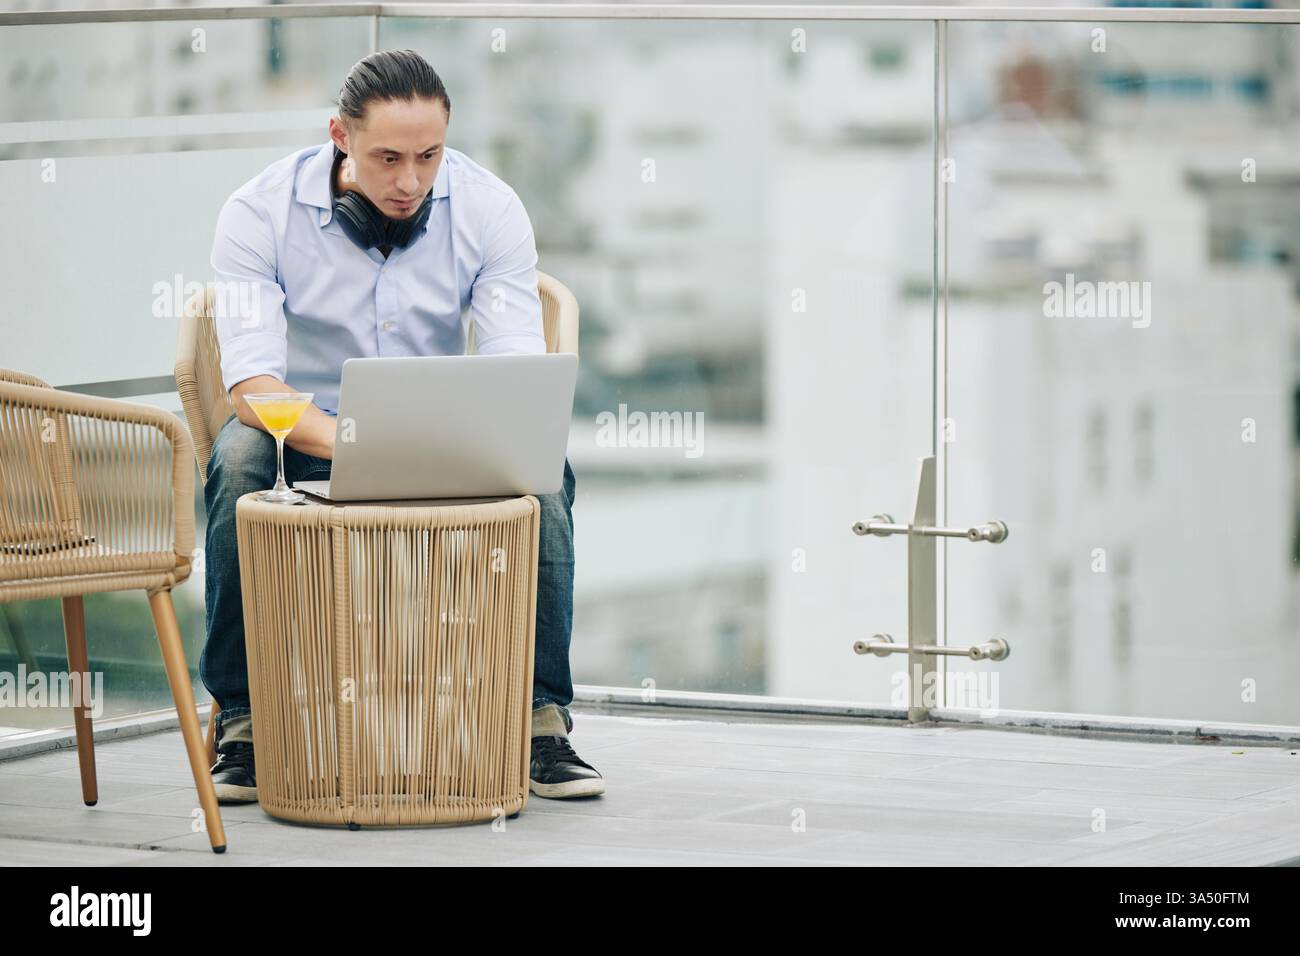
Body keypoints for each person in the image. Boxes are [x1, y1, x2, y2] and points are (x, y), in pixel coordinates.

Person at [200, 49, 603, 804]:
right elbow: (254, 390)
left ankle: (541, 722)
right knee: (241, 456)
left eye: (428, 156)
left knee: (548, 474)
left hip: (441, 444)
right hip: (307, 439)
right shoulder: (257, 213)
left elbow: (517, 376)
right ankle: (245, 725)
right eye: (387, 158)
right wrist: (352, 438)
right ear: (339, 138)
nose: (410, 181)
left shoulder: (488, 208)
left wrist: (480, 436)